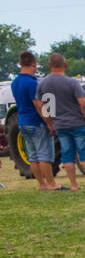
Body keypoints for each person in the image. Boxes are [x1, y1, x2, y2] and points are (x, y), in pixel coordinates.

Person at [37, 53, 85, 190]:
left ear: (49, 65)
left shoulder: (42, 84)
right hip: (78, 123)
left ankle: (74, 184)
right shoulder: (72, 82)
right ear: (65, 65)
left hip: (60, 125)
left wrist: (50, 123)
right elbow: (84, 104)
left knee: (67, 155)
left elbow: (42, 106)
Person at [12, 51, 56, 190]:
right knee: (44, 154)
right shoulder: (32, 83)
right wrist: (49, 123)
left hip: (22, 122)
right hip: (36, 122)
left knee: (33, 156)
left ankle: (41, 184)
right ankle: (51, 184)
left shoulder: (15, 82)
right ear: (34, 64)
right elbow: (38, 104)